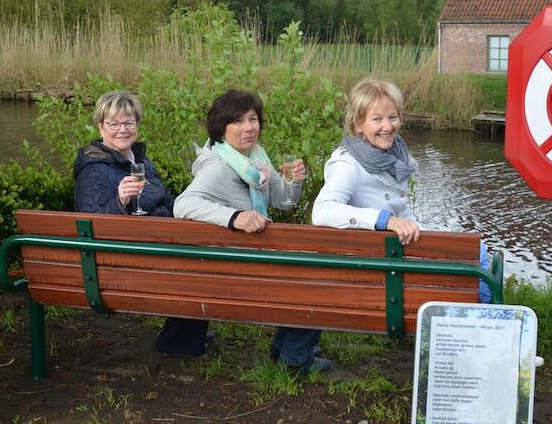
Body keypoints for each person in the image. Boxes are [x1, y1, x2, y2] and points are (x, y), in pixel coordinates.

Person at [173, 89, 330, 373]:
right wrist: (234, 217)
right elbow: (183, 204)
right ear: (221, 129)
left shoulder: (255, 159)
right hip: (235, 265)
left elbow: (284, 202)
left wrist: (290, 180)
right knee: (316, 274)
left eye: (253, 119)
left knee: (311, 263)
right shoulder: (218, 167)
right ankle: (295, 358)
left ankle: (288, 344)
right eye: (238, 122)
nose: (249, 128)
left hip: (252, 254)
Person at [312, 79, 491, 302]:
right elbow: (322, 211)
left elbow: (404, 214)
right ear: (358, 124)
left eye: (392, 117)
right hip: (377, 270)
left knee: (473, 250)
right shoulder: (348, 164)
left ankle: (480, 318)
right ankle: (484, 319)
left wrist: (430, 238)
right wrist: (384, 220)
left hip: (394, 257)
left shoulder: (393, 157)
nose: (387, 126)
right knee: (476, 255)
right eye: (377, 119)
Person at [72, 91, 209, 356]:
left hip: (157, 245)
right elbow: (93, 228)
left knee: (203, 251)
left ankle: (185, 333)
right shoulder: (93, 171)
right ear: (101, 126)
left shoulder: (140, 161)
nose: (122, 130)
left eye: (129, 123)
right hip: (126, 261)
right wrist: (119, 202)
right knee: (197, 268)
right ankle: (177, 342)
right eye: (114, 123)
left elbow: (167, 203)